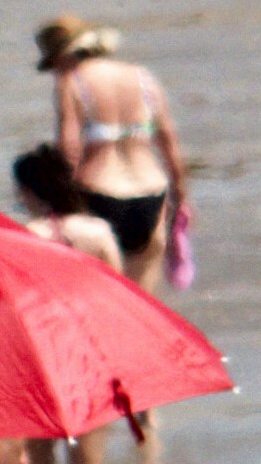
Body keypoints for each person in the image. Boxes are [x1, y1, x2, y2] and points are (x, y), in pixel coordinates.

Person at [38, 17, 186, 290]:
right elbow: (168, 141)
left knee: (105, 296)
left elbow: (69, 149)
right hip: (151, 192)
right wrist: (181, 197)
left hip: (100, 194)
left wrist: (60, 207)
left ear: (63, 57)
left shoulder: (71, 82)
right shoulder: (142, 77)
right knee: (143, 300)